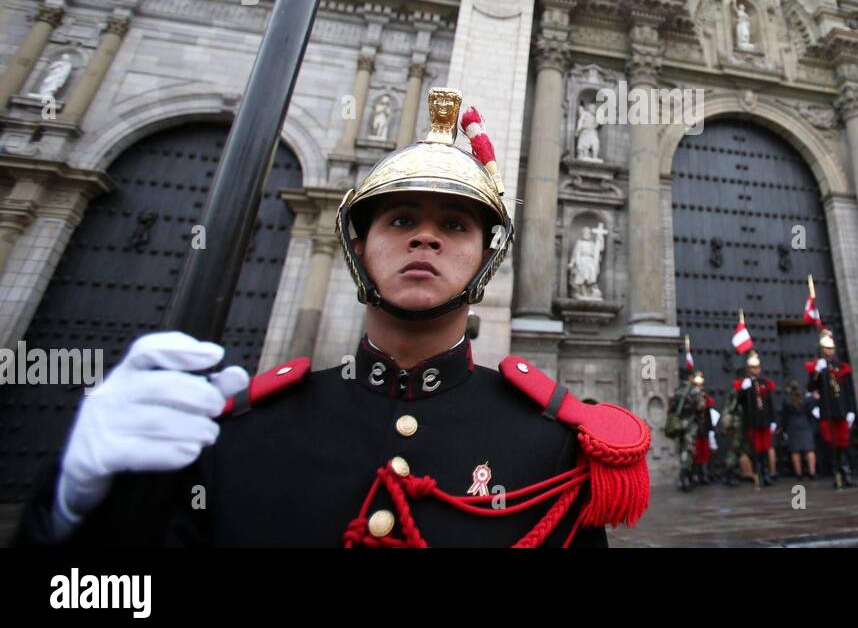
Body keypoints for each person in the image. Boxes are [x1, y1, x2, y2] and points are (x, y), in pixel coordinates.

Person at [15, 88, 650, 547]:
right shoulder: (240, 434)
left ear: (487, 259)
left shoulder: (553, 444)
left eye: (453, 225)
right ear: (358, 247)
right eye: (401, 220)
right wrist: (72, 507)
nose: (424, 240)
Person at [806, 329, 857, 488]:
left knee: (843, 442)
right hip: (827, 410)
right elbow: (811, 387)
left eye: (831, 348)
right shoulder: (818, 367)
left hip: (841, 408)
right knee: (831, 443)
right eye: (827, 349)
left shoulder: (841, 367)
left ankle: (846, 472)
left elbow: (848, 389)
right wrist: (817, 373)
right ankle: (836, 473)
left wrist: (850, 410)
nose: (830, 351)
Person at [733, 351, 778, 487]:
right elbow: (739, 402)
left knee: (765, 449)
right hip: (752, 421)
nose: (755, 370)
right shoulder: (745, 384)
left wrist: (773, 420)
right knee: (756, 449)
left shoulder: (765, 383)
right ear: (748, 369)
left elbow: (770, 403)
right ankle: (757, 472)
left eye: (757, 367)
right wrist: (743, 390)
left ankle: (766, 472)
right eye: (752, 368)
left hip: (764, 421)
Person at [780, 380, 816, 479]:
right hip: (804, 424)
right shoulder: (805, 399)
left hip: (792, 425)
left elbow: (784, 416)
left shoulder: (786, 400)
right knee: (809, 449)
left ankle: (799, 473)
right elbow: (810, 412)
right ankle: (812, 472)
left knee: (795, 451)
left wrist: (783, 428)